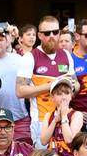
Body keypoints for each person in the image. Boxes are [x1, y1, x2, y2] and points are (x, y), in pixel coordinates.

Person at [16, 16, 75, 145]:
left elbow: (76, 85)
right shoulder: (30, 57)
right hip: (42, 120)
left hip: (65, 117)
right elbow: (20, 91)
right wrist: (51, 86)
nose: (52, 36)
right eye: (47, 33)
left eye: (55, 32)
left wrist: (71, 87)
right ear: (40, 36)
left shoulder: (66, 55)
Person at [37, 78, 82, 156]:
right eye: (59, 94)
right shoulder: (48, 115)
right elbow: (43, 141)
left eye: (67, 93)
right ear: (52, 98)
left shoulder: (76, 114)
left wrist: (64, 116)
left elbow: (69, 139)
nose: (63, 97)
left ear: (71, 96)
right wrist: (55, 121)